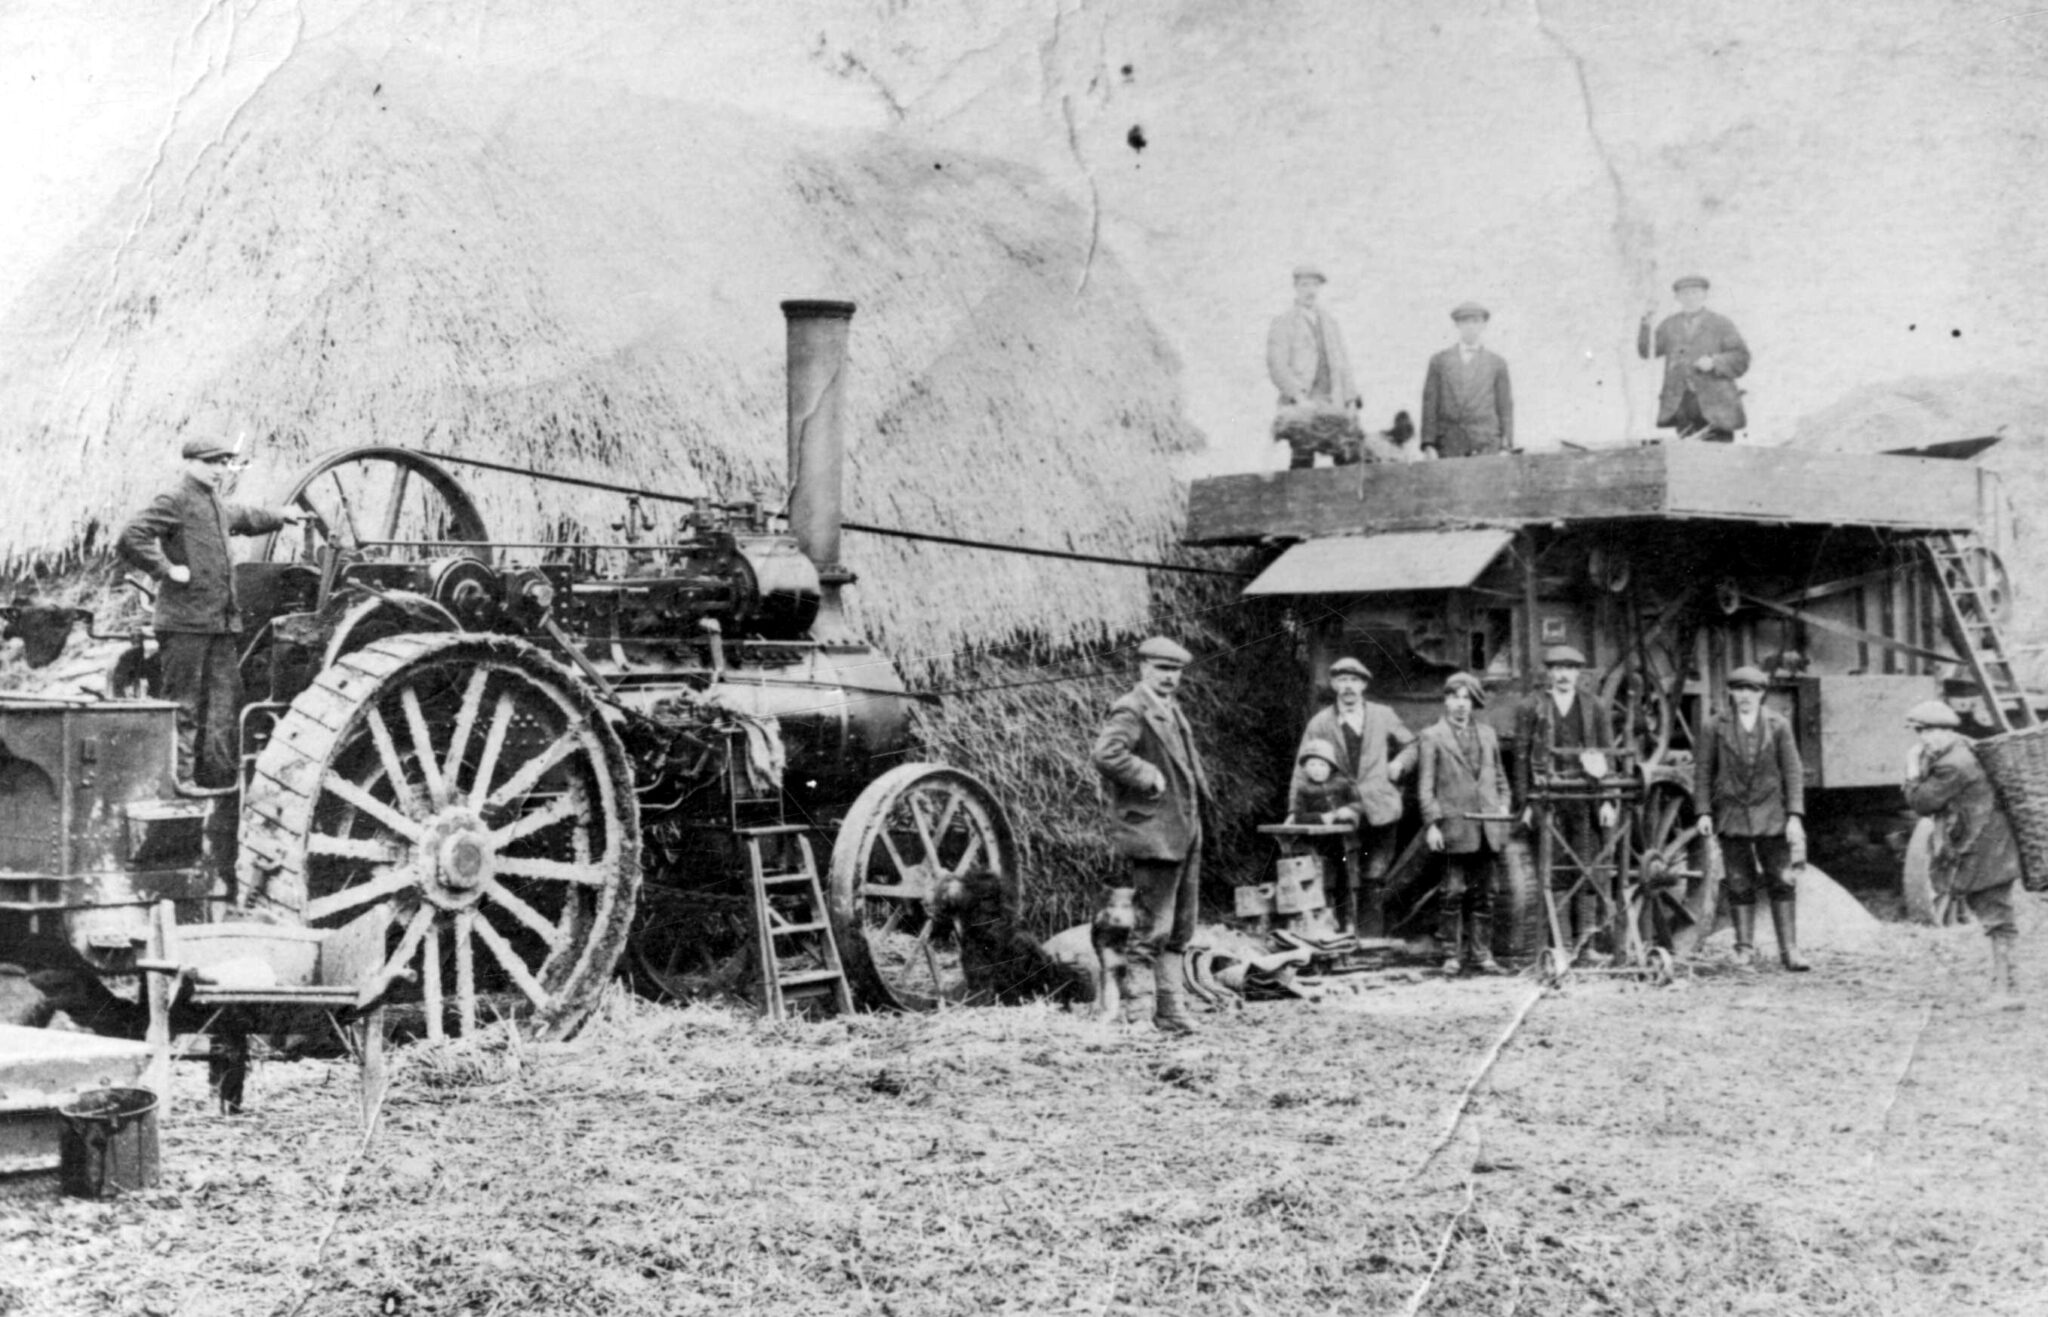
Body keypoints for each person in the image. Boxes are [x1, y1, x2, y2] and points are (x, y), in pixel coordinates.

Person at [118, 430, 304, 788]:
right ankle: (180, 782)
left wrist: (280, 516)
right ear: (190, 463)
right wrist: (166, 569)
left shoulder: (214, 503)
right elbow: (131, 534)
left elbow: (245, 516)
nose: (220, 470)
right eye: (211, 463)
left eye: (224, 463)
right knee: (183, 703)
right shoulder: (174, 499)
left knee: (225, 702)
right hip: (185, 624)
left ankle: (219, 779)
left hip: (219, 624)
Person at [1091, 635, 1214, 1034]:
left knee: (1180, 928)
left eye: (1175, 671)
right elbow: (1107, 754)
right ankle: (1139, 1013)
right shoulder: (1131, 708)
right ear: (1143, 668)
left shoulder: (1171, 710)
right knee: (1150, 929)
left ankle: (1172, 1010)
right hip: (1155, 834)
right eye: (1161, 669)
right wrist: (1147, 774)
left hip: (1184, 831)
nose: (1169, 678)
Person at [1902, 700, 2024, 1009]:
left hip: (1984, 849)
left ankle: (2006, 993)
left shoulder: (1953, 765)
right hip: (1990, 845)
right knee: (1997, 916)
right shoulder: (1965, 748)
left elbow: (1922, 803)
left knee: (1998, 918)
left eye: (1925, 732)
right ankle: (2005, 988)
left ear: (1942, 732)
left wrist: (1912, 771)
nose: (1923, 740)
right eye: (1921, 733)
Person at [1695, 666, 1809, 971]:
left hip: (1772, 814)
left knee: (1782, 879)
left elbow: (1793, 772)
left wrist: (1794, 816)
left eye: (1752, 690)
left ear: (1762, 694)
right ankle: (1744, 949)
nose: (1745, 696)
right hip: (1731, 814)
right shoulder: (1714, 726)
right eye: (1739, 689)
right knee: (1738, 881)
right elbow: (1704, 770)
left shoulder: (1779, 724)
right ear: (1731, 693)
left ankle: (1790, 950)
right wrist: (1704, 810)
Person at [1512, 645, 1618, 959]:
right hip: (1549, 800)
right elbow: (1521, 759)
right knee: (1555, 871)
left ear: (1578, 673)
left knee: (1586, 868)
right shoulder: (1531, 706)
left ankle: (1586, 944)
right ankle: (1562, 945)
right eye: (1557, 668)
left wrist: (1608, 800)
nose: (1563, 675)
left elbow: (1607, 754)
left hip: (1585, 799)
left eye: (1569, 669)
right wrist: (1527, 802)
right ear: (1549, 672)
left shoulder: (1594, 706)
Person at [1296, 657, 1416, 934]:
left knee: (1374, 874)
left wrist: (1400, 763)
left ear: (1363, 685)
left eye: (1354, 681)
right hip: (1342, 810)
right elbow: (1302, 767)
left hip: (1380, 807)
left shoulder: (1383, 715)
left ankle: (1371, 939)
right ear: (1335, 685)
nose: (1348, 687)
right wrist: (1295, 808)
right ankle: (1338, 937)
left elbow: (1412, 744)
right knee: (1340, 874)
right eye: (1342, 681)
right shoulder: (1321, 722)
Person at [1419, 672, 1509, 975]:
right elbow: (1425, 787)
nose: (1460, 704)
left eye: (1466, 699)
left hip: (1486, 827)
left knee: (1487, 892)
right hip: (1454, 828)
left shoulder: (1488, 734)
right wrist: (1432, 824)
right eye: (1455, 697)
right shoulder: (1432, 736)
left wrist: (1503, 805)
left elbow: (1499, 778)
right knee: (1452, 892)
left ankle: (1482, 955)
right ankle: (1451, 956)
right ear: (1446, 701)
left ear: (1473, 703)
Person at [1267, 264, 1362, 469]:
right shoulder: (1284, 322)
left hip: (1332, 405)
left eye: (1314, 286)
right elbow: (1277, 365)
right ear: (1296, 287)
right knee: (1303, 460)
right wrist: (1298, 397)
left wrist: (1351, 400)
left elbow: (1343, 364)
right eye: (1304, 285)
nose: (1310, 291)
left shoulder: (1330, 323)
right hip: (1304, 406)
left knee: (1346, 460)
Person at [1637, 274, 1750, 443]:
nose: (1690, 297)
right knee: (1687, 458)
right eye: (1685, 293)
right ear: (1677, 297)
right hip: (1681, 404)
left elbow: (1741, 358)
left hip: (1716, 404)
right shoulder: (1669, 325)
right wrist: (1646, 320)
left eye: (1695, 292)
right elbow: (1647, 351)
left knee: (1719, 459)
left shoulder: (1720, 324)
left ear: (1704, 295)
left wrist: (1715, 362)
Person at [1419, 301, 1514, 458]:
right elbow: (1430, 405)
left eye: (1476, 321)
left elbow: (1505, 408)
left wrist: (1506, 446)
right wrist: (1428, 445)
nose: (1470, 327)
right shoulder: (1439, 361)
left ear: (1484, 325)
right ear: (1457, 324)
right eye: (1465, 321)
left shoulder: (1497, 363)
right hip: (1449, 445)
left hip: (1487, 445)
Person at [1288, 740, 1362, 826]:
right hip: (1316, 835)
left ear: (1330, 767)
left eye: (1322, 765)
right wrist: (1320, 818)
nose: (1317, 769)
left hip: (1343, 833)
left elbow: (1359, 803)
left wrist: (1349, 809)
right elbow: (1298, 817)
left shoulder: (1343, 784)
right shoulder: (1304, 789)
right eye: (1312, 764)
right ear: (1305, 768)